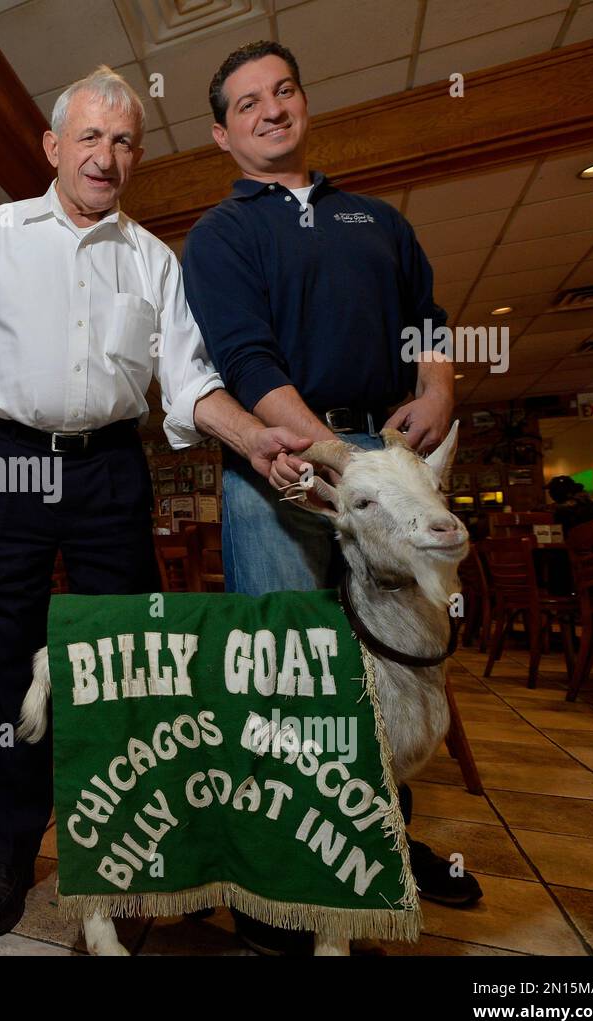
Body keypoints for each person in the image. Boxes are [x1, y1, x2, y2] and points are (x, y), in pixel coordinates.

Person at [0, 65, 310, 938]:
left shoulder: (155, 261)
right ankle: (8, 852)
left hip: (109, 470)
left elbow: (191, 383)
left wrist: (253, 439)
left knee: (123, 662)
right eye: (90, 136)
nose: (106, 155)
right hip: (10, 459)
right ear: (54, 147)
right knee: (7, 663)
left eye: (123, 140)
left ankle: (122, 852)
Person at [181, 41, 481, 951]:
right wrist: (328, 458)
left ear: (303, 103)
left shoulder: (378, 221)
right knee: (287, 674)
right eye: (247, 103)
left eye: (283, 92)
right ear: (223, 133)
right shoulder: (221, 234)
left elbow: (428, 322)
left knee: (396, 662)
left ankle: (380, 842)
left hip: (387, 456)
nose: (270, 110)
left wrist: (438, 389)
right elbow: (245, 357)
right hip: (278, 466)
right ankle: (281, 882)